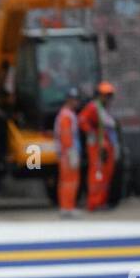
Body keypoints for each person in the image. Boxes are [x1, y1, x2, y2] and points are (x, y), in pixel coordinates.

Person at [79, 81, 119, 211]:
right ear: (99, 95)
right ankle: (94, 203)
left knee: (105, 175)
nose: (108, 98)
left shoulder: (104, 109)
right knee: (97, 174)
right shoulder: (93, 107)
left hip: (106, 146)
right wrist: (91, 132)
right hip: (97, 146)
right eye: (105, 95)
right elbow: (82, 119)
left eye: (109, 95)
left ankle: (101, 201)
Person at [54, 87, 81, 217]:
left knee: (67, 181)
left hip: (67, 152)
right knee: (69, 181)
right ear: (70, 100)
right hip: (68, 152)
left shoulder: (66, 114)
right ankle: (67, 207)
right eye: (74, 100)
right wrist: (71, 151)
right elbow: (66, 135)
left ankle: (67, 207)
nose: (76, 102)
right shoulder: (66, 115)